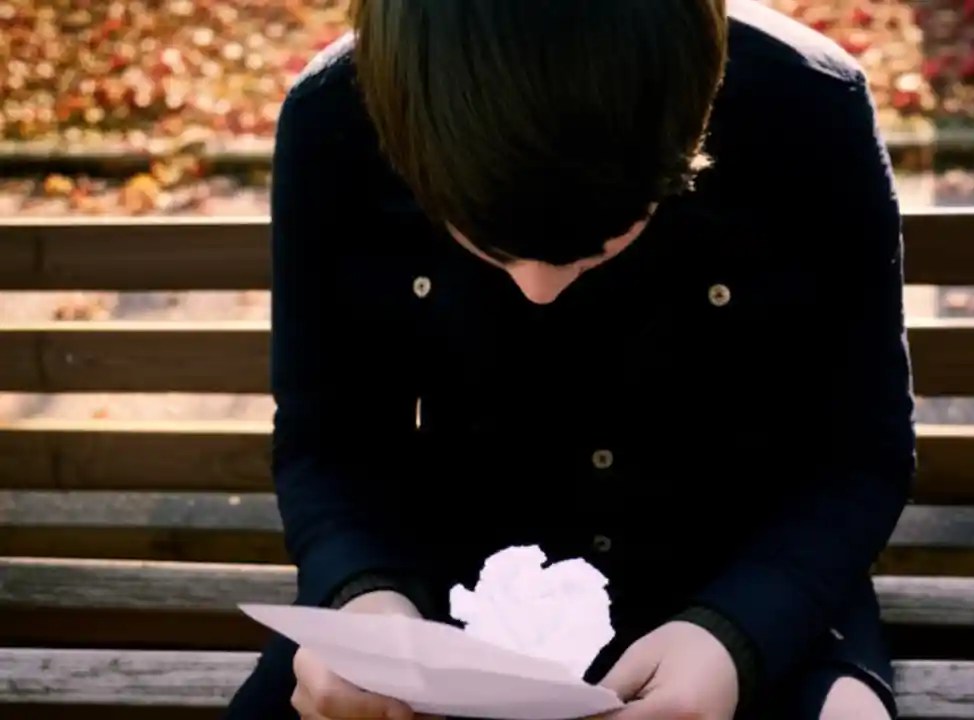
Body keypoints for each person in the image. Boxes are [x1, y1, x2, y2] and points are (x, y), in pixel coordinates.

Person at [223, 0, 916, 717]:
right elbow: (328, 438)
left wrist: (734, 638)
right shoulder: (336, 116)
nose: (539, 289)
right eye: (489, 246)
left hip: (753, 575)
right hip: (439, 593)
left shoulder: (804, 102)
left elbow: (860, 454)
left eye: (596, 245)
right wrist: (363, 598)